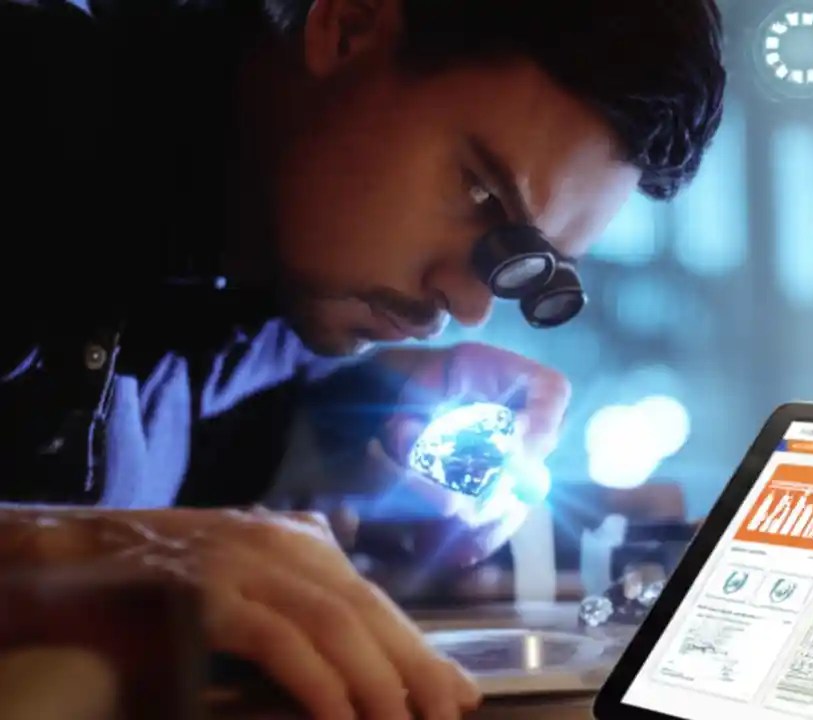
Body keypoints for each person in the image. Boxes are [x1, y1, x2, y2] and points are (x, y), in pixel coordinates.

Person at [0, 0, 726, 717]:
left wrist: (369, 439)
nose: (469, 305)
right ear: (347, 27)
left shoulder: (270, 277)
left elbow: (231, 413)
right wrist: (53, 552)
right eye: (479, 192)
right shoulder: (30, 98)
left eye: (523, 265)